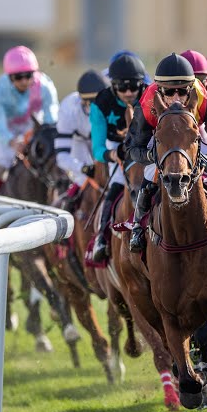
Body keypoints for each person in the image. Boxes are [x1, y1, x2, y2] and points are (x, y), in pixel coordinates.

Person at [121, 53, 207, 253]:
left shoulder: (201, 96)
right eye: (169, 92)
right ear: (158, 90)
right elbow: (131, 149)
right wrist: (151, 157)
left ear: (191, 89)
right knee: (149, 173)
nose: (175, 99)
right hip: (161, 137)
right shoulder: (147, 102)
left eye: (182, 92)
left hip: (193, 132)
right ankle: (139, 226)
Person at [88, 52, 148, 263]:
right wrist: (112, 154)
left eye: (134, 86)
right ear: (112, 85)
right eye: (122, 87)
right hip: (116, 145)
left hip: (146, 143)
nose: (129, 92)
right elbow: (97, 147)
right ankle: (102, 238)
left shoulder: (151, 95)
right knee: (116, 185)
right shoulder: (100, 103)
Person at [0, 45, 59, 193]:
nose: (24, 81)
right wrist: (11, 141)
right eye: (18, 77)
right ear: (9, 77)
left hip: (32, 124)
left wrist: (46, 135)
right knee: (3, 158)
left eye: (29, 75)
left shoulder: (44, 85)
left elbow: (51, 116)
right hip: (7, 128)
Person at [54, 68, 109, 211]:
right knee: (83, 179)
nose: (95, 108)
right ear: (81, 100)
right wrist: (82, 168)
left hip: (104, 138)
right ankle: (68, 207)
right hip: (79, 140)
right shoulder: (68, 110)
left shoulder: (112, 103)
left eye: (98, 101)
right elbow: (61, 157)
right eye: (90, 103)